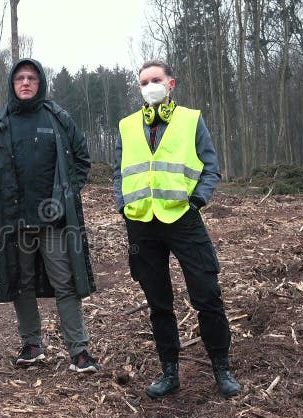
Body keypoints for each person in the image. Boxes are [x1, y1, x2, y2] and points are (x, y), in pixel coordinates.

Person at [113, 60, 241, 398]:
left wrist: (197, 200)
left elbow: (211, 167)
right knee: (159, 304)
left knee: (208, 295)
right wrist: (122, 205)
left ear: (171, 84)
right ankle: (169, 372)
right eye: (144, 82)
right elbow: (119, 172)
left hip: (184, 219)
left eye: (156, 79)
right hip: (141, 224)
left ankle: (221, 369)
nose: (150, 85)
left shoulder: (191, 120)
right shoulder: (127, 126)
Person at [0, 58, 99, 373]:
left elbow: (82, 160)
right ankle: (32, 346)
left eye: (31, 78)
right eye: (20, 78)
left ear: (40, 82)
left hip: (53, 221)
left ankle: (79, 351)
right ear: (12, 84)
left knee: (66, 281)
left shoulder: (58, 119)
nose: (26, 83)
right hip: (13, 222)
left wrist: (67, 194)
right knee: (21, 282)